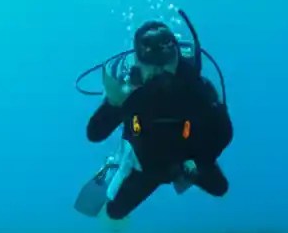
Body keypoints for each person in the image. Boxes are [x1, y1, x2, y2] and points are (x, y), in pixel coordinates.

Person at [74, 13, 233, 220]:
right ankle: (117, 162)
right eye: (152, 62)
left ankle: (175, 170)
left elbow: (224, 132)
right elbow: (94, 134)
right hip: (146, 166)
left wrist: (200, 160)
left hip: (187, 161)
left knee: (220, 188)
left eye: (166, 61)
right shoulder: (128, 90)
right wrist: (114, 104)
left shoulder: (195, 86)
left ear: (177, 54)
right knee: (115, 212)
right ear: (138, 61)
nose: (160, 71)